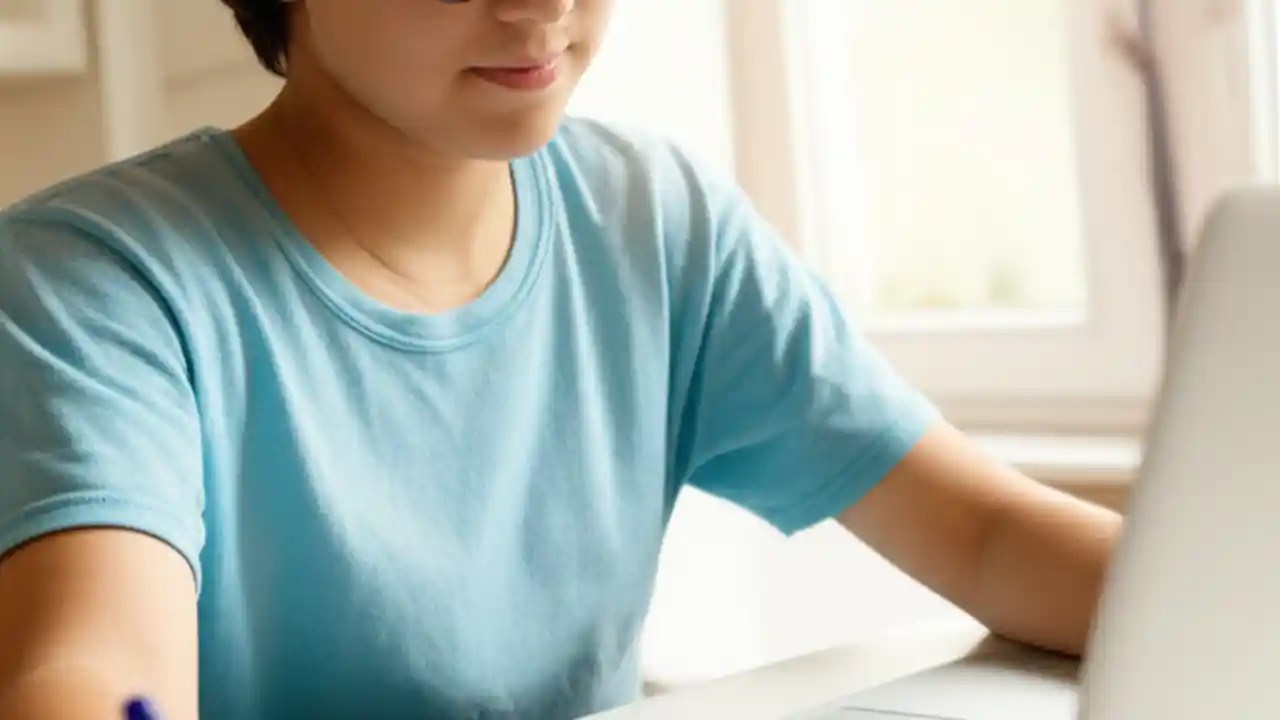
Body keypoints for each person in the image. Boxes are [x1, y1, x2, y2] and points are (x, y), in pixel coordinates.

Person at [0, 1, 1122, 718]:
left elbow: (981, 531)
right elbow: (92, 667)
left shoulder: (658, 222)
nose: (540, 7)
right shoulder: (94, 280)